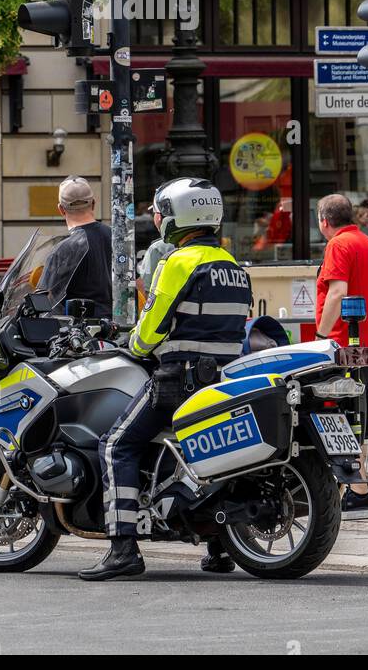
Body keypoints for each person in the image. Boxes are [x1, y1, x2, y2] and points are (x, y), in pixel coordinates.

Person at [79, 177, 252, 582]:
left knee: (116, 444)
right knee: (206, 458)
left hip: (180, 378)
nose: (158, 219)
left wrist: (134, 346)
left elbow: (153, 325)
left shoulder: (178, 261)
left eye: (162, 212)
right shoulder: (233, 266)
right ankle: (218, 548)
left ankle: (122, 546)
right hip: (221, 378)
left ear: (180, 217)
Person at [314, 194, 368, 510]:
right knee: (355, 414)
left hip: (345, 346)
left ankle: (358, 489)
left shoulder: (338, 245)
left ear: (324, 221)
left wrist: (321, 337)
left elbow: (337, 292)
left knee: (340, 415)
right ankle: (355, 485)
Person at [35, 177, 111, 316]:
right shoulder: (117, 238)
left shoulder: (63, 249)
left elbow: (43, 298)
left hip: (79, 331)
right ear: (93, 204)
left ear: (61, 209)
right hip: (118, 328)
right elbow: (137, 284)